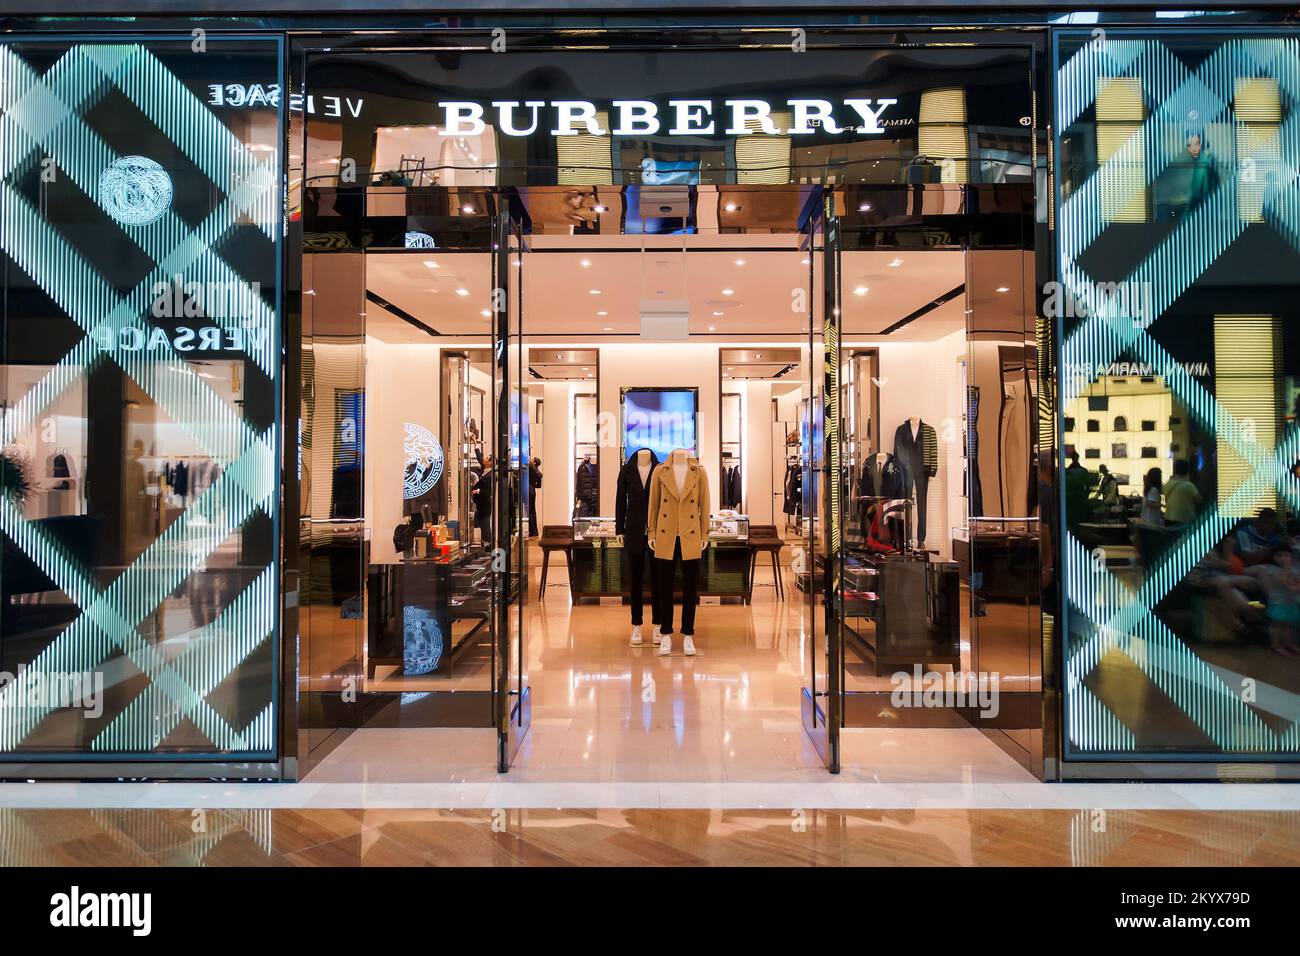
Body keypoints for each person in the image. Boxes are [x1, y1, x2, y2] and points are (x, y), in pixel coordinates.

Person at [1249, 543, 1300, 656]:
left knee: (1287, 625)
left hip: (1290, 602)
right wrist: (1289, 573)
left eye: (1287, 555)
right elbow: (1285, 582)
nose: (1283, 558)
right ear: (1274, 557)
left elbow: (1296, 582)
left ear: (1291, 557)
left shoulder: (1294, 569)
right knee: (1277, 625)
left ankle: (1288, 643)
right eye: (1279, 556)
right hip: (1278, 602)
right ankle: (1276, 645)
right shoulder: (1272, 570)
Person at [1161, 459, 1202, 525]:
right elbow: (1199, 500)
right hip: (1184, 520)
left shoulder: (1167, 484)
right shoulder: (1189, 486)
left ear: (1174, 470)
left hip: (1168, 519)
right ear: (1187, 471)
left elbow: (1163, 501)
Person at [527, 456, 542, 536]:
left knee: (529, 511)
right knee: (532, 511)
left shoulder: (531, 467)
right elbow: (539, 485)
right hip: (532, 491)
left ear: (535, 462)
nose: (530, 459)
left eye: (532, 459)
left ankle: (532, 531)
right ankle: (534, 531)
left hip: (528, 491)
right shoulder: (536, 470)